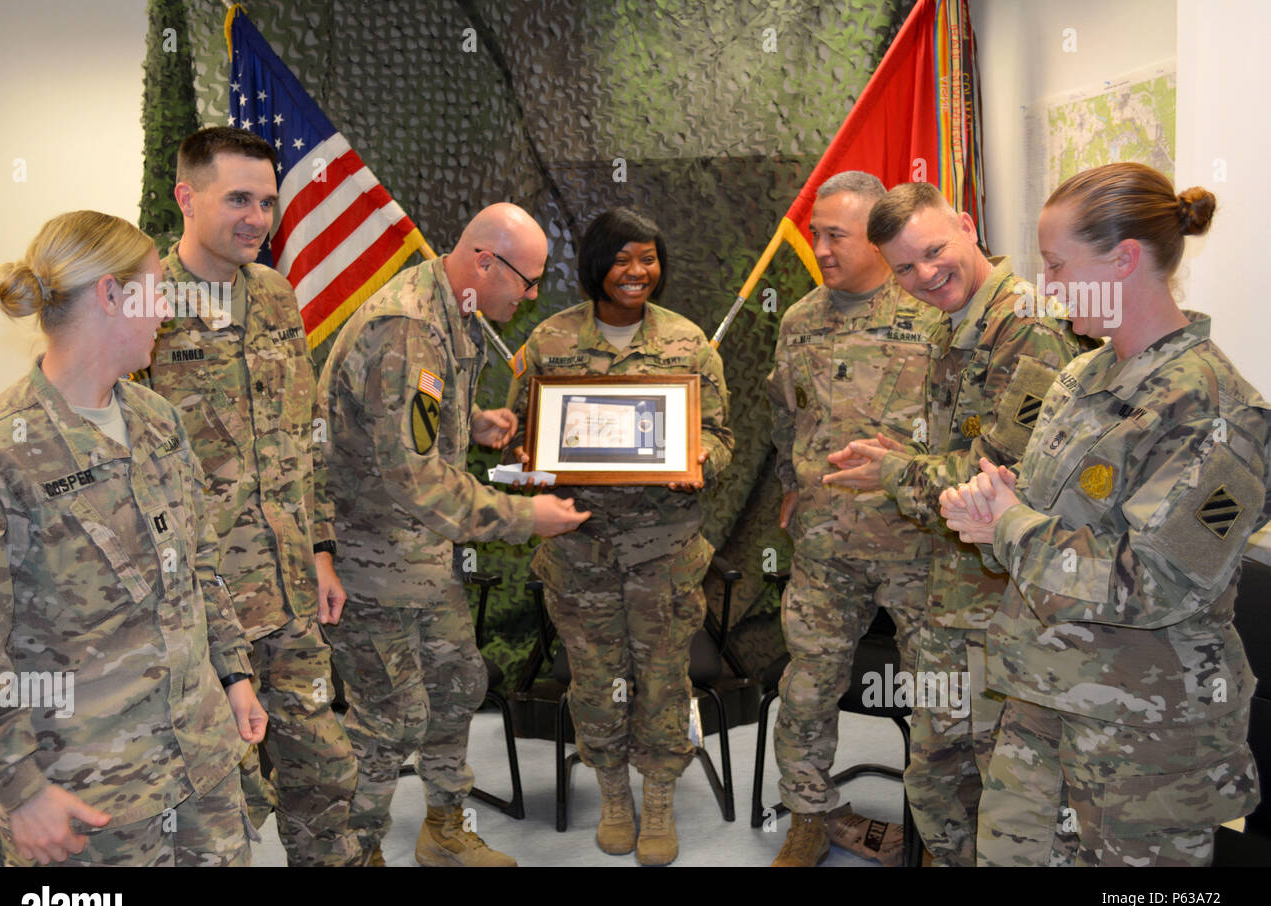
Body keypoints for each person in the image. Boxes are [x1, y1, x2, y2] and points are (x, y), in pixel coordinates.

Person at [940, 163, 1268, 866]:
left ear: (1123, 259)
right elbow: (1054, 527)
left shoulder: (1216, 408)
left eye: (1058, 266)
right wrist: (991, 514)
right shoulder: (1082, 377)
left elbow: (1161, 582)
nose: (1047, 287)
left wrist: (1012, 526)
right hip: (1043, 695)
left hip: (1144, 735)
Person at [0, 210, 266, 866]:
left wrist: (234, 673)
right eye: (155, 290)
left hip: (203, 772)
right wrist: (19, 793)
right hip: (88, 802)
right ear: (111, 294)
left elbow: (201, 564)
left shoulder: (157, 420)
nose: (165, 309)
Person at [319, 202, 589, 867]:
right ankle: (353, 852)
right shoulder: (407, 328)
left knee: (457, 681)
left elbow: (419, 418)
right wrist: (528, 517)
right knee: (389, 718)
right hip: (368, 554)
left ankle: (443, 829)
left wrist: (475, 423)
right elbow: (414, 478)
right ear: (484, 261)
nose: (530, 295)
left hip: (419, 549)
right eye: (525, 281)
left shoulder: (451, 310)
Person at [825, 182, 1086, 865]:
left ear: (968, 225)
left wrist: (891, 476)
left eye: (934, 251)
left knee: (1005, 808)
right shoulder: (958, 322)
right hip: (956, 606)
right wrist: (903, 459)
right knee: (939, 786)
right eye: (904, 268)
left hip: (1006, 615)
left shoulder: (1026, 328)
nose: (923, 275)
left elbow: (996, 484)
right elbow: (964, 453)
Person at [141, 127, 360, 866]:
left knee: (326, 774)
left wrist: (323, 548)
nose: (257, 218)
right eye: (238, 198)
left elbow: (305, 436)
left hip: (290, 587)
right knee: (223, 803)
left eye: (267, 202)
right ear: (186, 197)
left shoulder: (274, 294)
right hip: (205, 612)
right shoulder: (146, 308)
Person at [506, 208, 733, 865]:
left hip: (665, 553)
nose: (637, 273)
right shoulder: (548, 343)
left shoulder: (689, 345)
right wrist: (532, 472)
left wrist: (701, 465)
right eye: (623, 259)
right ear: (594, 264)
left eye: (649, 259)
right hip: (580, 555)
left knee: (664, 680)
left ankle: (658, 796)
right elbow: (527, 438)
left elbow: (721, 436)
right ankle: (612, 793)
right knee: (596, 679)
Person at [764, 172, 935, 866]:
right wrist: (788, 483)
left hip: (917, 543)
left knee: (937, 694)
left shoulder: (929, 314)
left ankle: (934, 830)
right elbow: (784, 416)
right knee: (807, 686)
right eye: (815, 235)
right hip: (826, 545)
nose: (821, 249)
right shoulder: (799, 320)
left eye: (835, 235)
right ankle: (810, 814)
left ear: (874, 236)